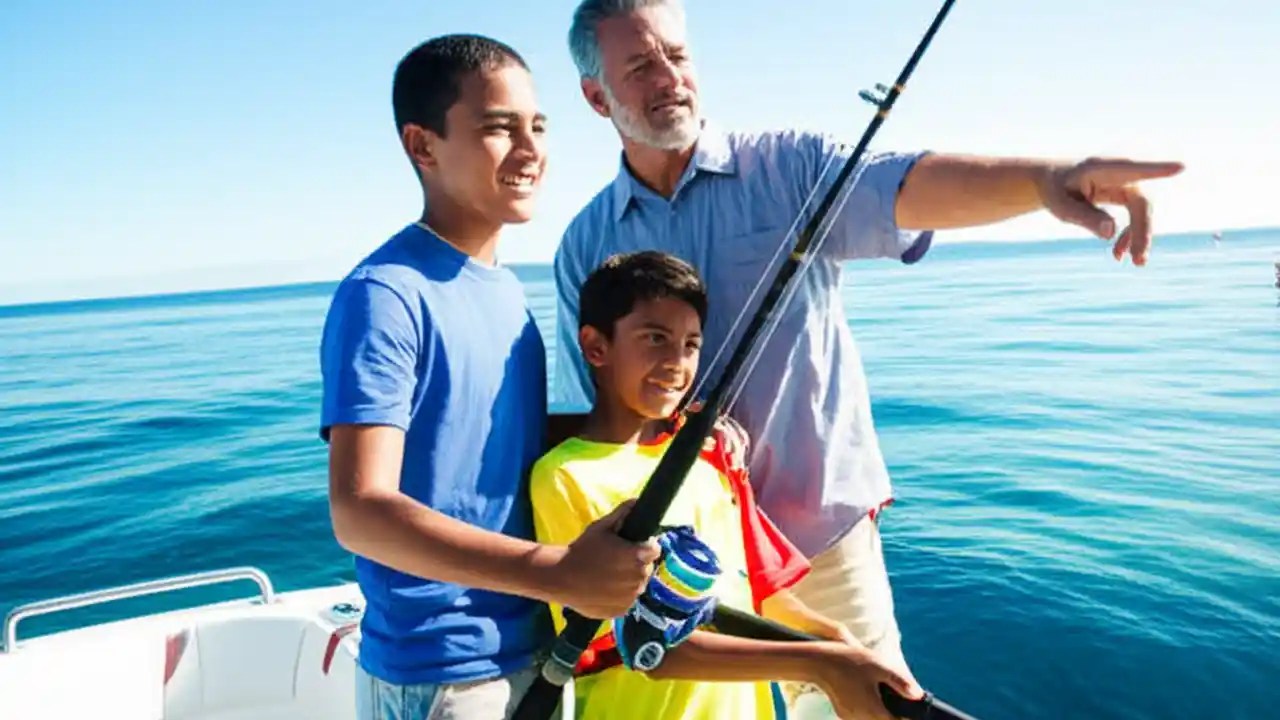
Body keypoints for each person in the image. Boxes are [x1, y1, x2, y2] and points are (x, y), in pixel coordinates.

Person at [552, 0, 1185, 696]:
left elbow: (905, 185)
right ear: (596, 97)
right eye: (641, 66)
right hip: (685, 559)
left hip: (821, 543)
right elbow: (596, 418)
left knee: (878, 702)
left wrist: (1042, 181)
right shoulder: (584, 244)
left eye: (677, 55)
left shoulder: (789, 166)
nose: (669, 77)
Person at [319, 34, 660, 720]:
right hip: (442, 674)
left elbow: (499, 442)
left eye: (538, 126)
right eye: (500, 128)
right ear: (423, 146)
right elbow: (359, 510)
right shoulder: (385, 294)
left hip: (530, 648)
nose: (531, 150)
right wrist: (557, 572)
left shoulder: (504, 290)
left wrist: (660, 425)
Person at [531, 250, 924, 720]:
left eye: (691, 344)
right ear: (596, 347)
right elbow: (645, 648)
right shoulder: (564, 478)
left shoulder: (705, 464)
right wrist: (821, 664)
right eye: (655, 338)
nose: (677, 362)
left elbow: (749, 595)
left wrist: (834, 639)